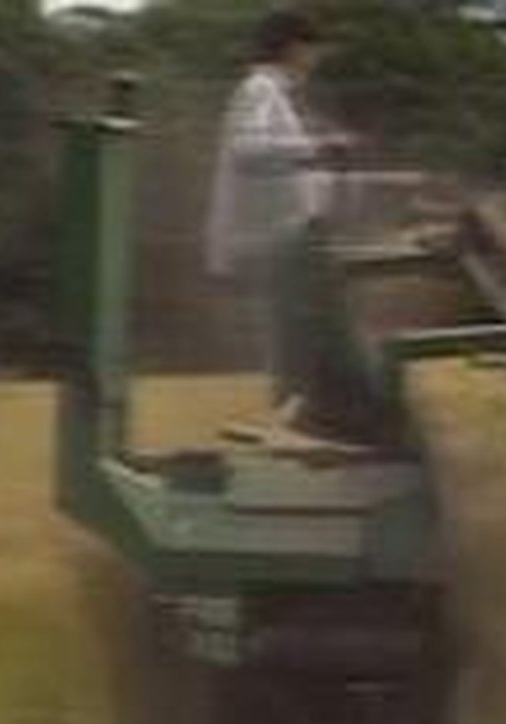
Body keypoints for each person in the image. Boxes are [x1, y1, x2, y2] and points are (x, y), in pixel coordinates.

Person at [205, 6, 352, 432]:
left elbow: (287, 170)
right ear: (293, 48)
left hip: (281, 240)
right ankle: (298, 425)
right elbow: (248, 153)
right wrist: (319, 149)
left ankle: (305, 418)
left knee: (297, 338)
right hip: (269, 241)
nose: (317, 58)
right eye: (313, 48)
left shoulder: (272, 93)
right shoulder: (260, 89)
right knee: (294, 340)